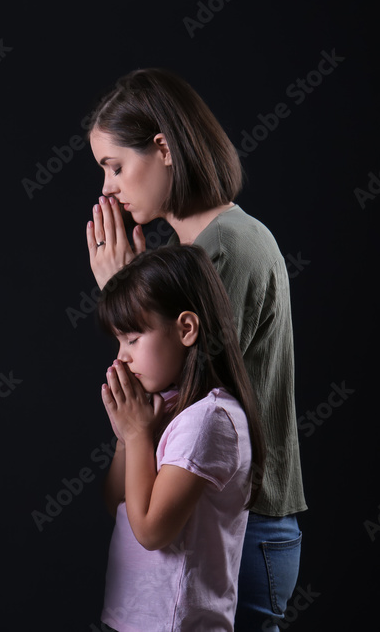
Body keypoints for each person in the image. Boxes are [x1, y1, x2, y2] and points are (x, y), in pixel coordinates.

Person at [84, 68, 306, 631]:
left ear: (163, 149)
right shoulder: (205, 248)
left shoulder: (223, 249)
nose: (108, 187)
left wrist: (122, 290)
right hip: (227, 520)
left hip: (243, 525)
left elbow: (177, 398)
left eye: (115, 166)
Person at [97, 244, 265, 631]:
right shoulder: (168, 406)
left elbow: (152, 530)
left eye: (133, 338)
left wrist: (139, 435)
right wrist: (127, 438)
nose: (121, 357)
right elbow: (116, 502)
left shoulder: (209, 420)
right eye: (119, 342)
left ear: (186, 329)